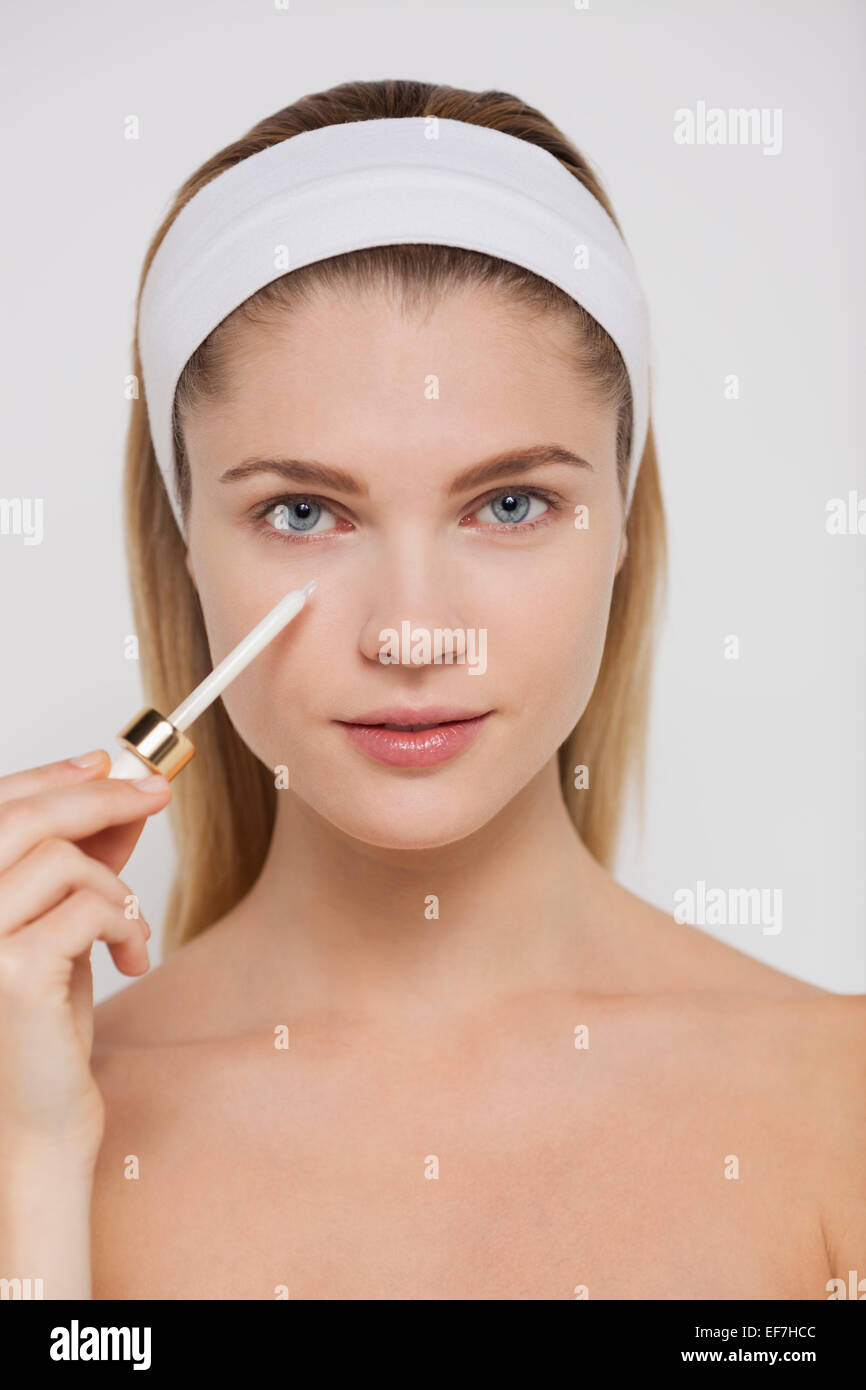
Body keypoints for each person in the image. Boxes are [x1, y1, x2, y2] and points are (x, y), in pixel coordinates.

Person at [1, 79, 862, 1301]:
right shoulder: (43, 1114)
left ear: (622, 518)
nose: (411, 634)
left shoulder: (841, 1105)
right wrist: (27, 1173)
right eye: (302, 512)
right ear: (186, 535)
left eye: (508, 504)